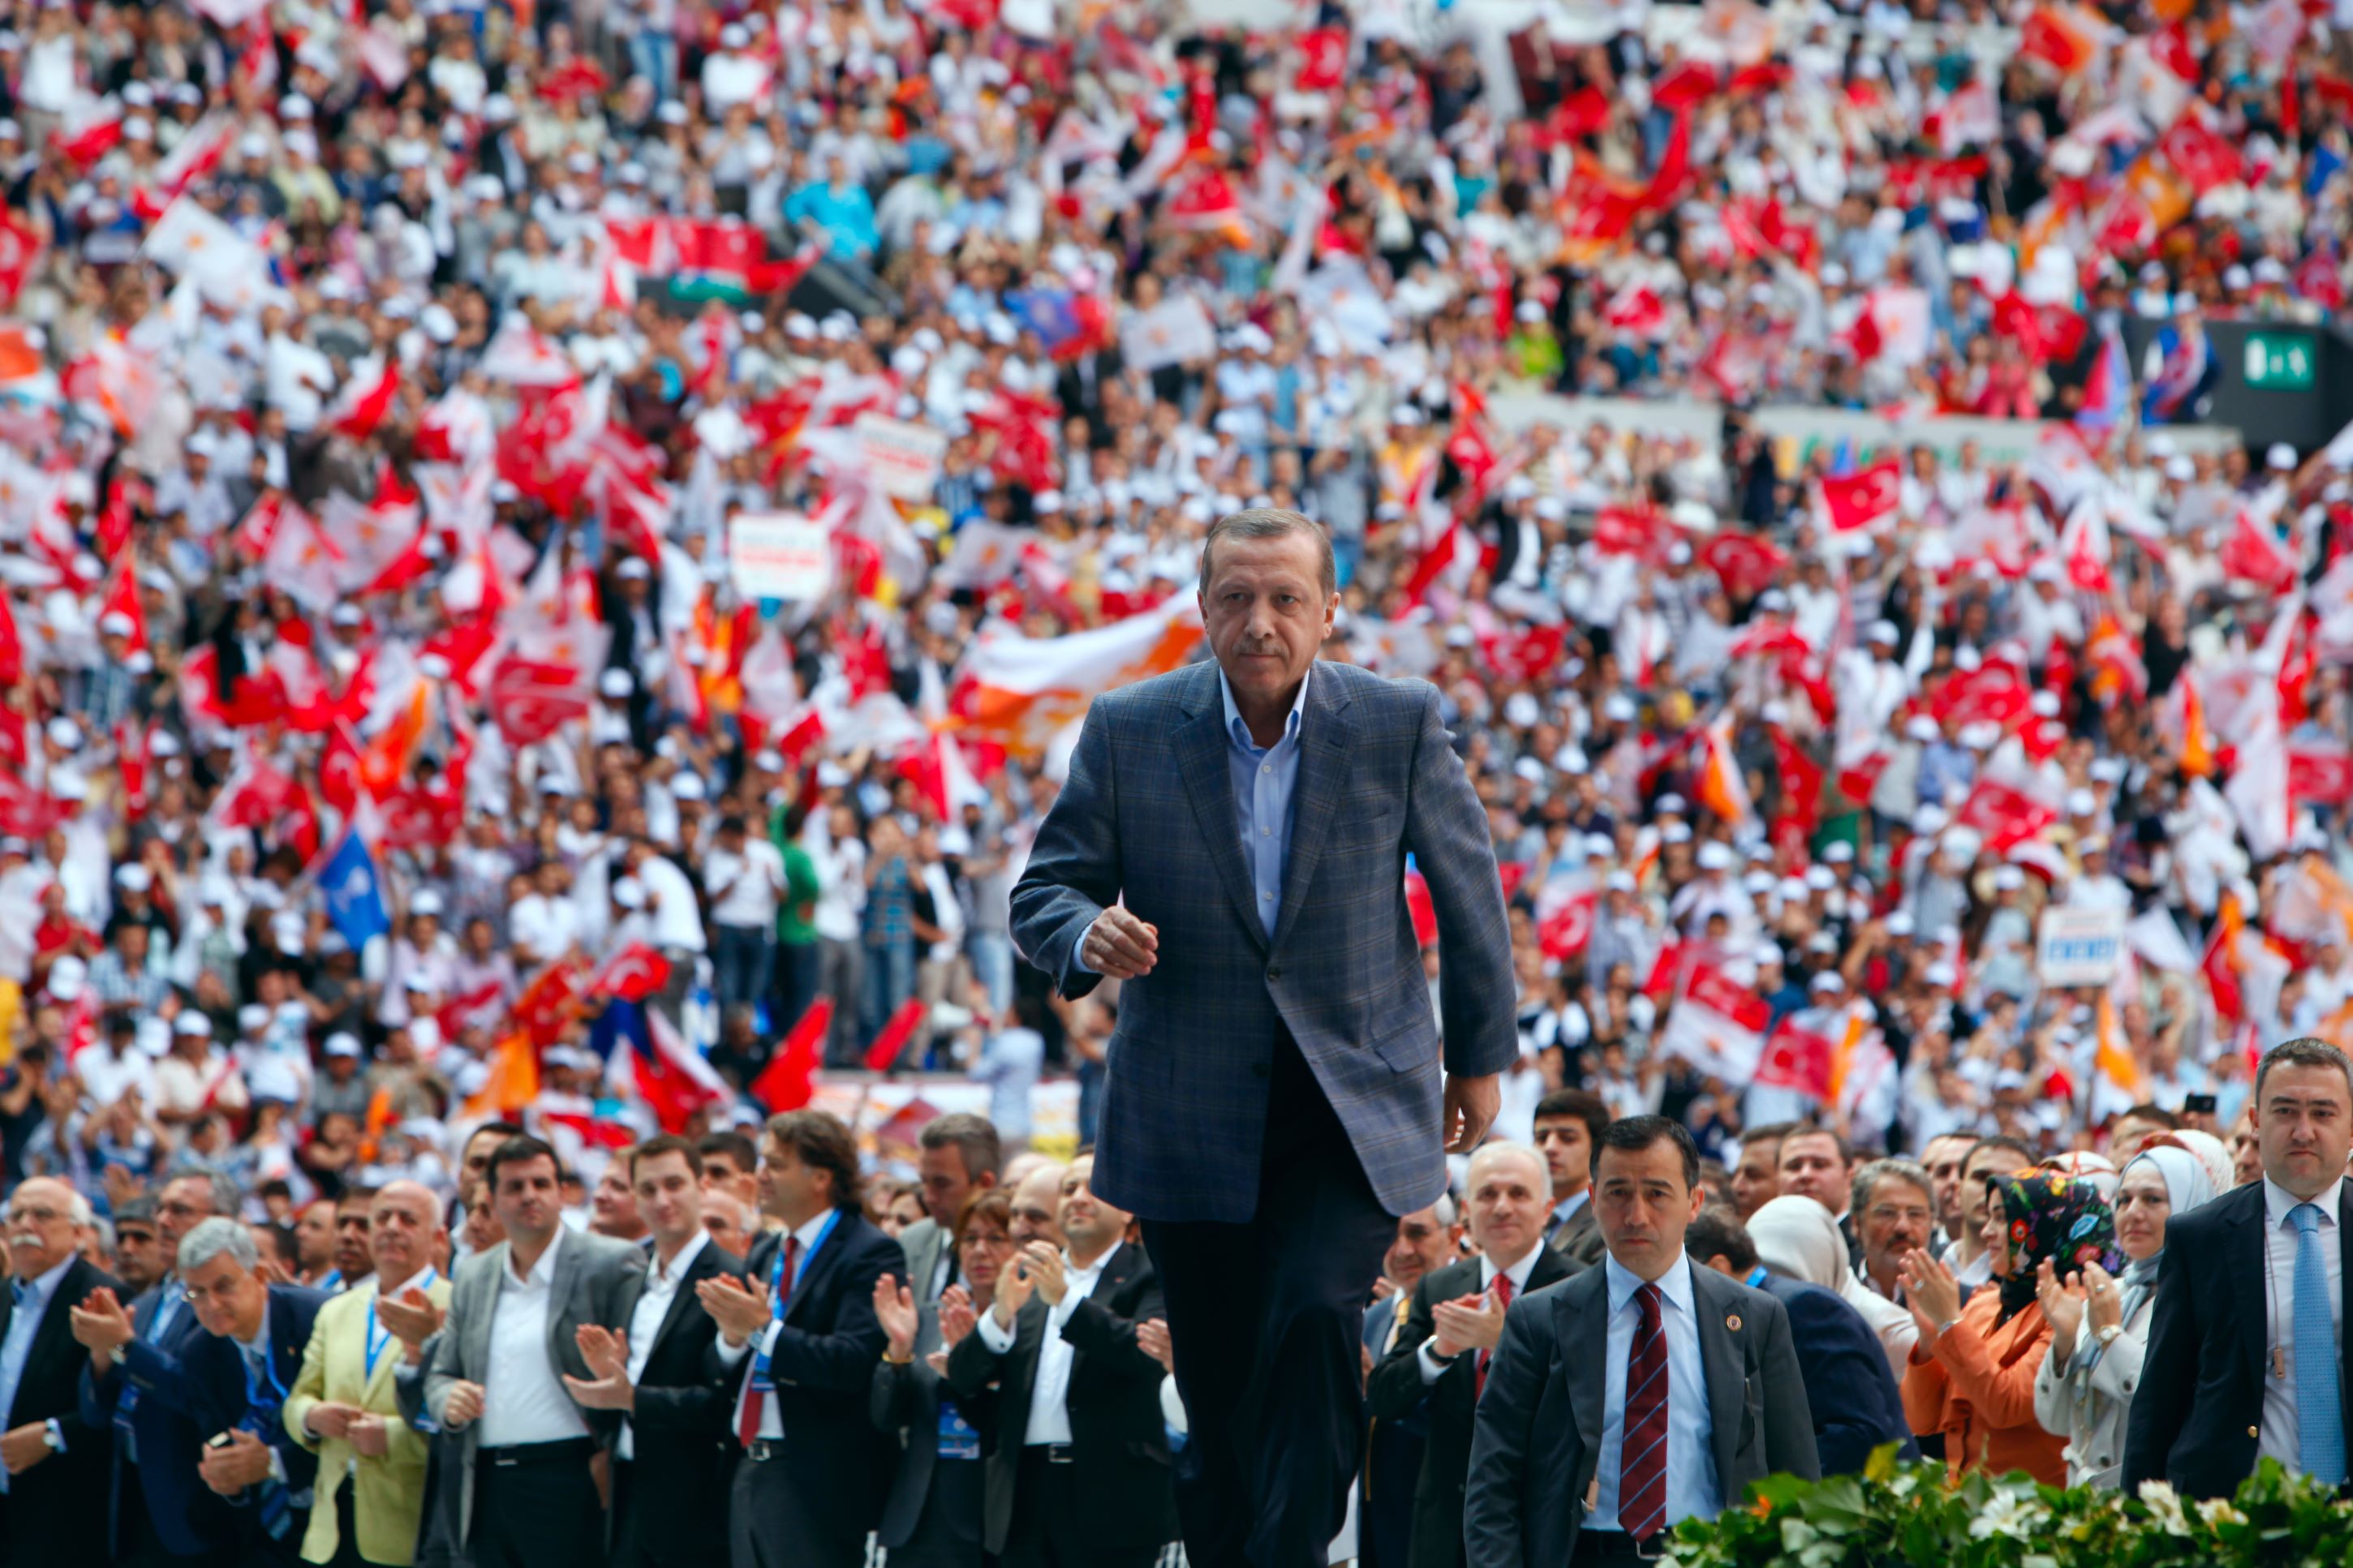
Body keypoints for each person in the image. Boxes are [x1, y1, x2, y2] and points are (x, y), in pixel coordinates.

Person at [1011, 508, 1516, 1568]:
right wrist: (1082, 931)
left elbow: (1470, 897)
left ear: (1329, 612)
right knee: (1221, 1380)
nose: (1260, 621)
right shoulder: (1130, 725)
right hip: (1187, 1108)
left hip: (1350, 1101)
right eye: (1235, 597)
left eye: (1286, 597)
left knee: (1312, 1318)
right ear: (1202, 609)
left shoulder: (1398, 721)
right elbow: (1045, 888)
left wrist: (1477, 1056)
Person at [1464, 1117, 1817, 1565]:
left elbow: (1794, 1472)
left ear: (1695, 1202)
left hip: (1712, 1552)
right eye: (1617, 1193)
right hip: (1584, 1554)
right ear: (1592, 1200)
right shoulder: (1540, 1319)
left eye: (1656, 1193)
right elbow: (1494, 1475)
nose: (1635, 1215)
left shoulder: (1753, 1317)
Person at [2126, 1039, 2353, 1498]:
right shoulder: (2201, 1237)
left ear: (2351, 1127)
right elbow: (2160, 1397)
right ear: (2254, 1122)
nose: (2304, 1131)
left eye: (2324, 1113)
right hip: (2230, 1515)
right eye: (2285, 1111)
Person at [403, 1136, 643, 1568]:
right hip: (485, 1480)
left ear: (563, 1192)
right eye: (514, 1187)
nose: (529, 1195)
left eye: (541, 1183)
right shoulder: (475, 1273)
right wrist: (449, 1403)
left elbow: (638, 1374)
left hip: (572, 1477)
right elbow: (440, 1375)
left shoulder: (612, 1263)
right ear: (492, 1200)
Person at [941, 1153, 1173, 1568]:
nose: (1079, 1198)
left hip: (1111, 1494)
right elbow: (964, 1377)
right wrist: (998, 1318)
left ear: (1126, 1210)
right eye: (1069, 1189)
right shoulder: (1024, 1278)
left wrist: (1065, 1301)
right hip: (1023, 1491)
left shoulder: (1151, 1272)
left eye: (1094, 1187)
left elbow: (1144, 1352)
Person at [699, 1110, 907, 1568]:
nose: (760, 1175)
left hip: (815, 1477)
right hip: (748, 1464)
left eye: (775, 1164)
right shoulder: (768, 1249)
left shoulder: (869, 1251)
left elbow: (852, 1362)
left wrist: (761, 1330)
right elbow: (730, 1367)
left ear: (821, 1176)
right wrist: (733, 1340)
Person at [1366, 1143, 1570, 1568]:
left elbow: (1585, 1407)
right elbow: (1385, 1397)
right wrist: (1439, 1351)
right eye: (1487, 1194)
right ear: (1465, 1210)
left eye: (1518, 1194)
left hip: (1538, 1519)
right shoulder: (1439, 1288)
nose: (1501, 1207)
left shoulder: (1579, 1287)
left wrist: (1505, 1344)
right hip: (1444, 1520)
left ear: (1547, 1207)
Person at [561, 1136, 746, 1568]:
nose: (661, 1200)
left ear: (701, 1188)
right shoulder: (631, 1278)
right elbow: (618, 1400)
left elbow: (726, 1405)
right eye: (647, 1189)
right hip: (627, 1496)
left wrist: (631, 1397)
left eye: (674, 1184)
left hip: (697, 1510)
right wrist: (609, 1382)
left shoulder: (730, 1278)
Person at [1899, 1168, 2117, 1484]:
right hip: (1966, 1503)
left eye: (2002, 1218)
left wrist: (1949, 1322)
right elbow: (1921, 1421)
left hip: (2036, 1512)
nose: (1987, 1231)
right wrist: (1930, 1337)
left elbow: (2007, 1405)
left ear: (2046, 1224)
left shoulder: (2079, 1306)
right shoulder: (1987, 1302)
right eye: (1989, 1217)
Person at [73, 1170, 241, 1566]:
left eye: (179, 1210)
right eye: (161, 1209)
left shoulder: (225, 1302)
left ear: (222, 1221)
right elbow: (95, 1412)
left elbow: (198, 1394)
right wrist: (102, 1356)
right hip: (131, 1486)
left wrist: (126, 1346)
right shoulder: (145, 1300)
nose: (163, 1220)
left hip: (194, 1501)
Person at [284, 1180, 452, 1568]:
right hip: (332, 1527)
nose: (392, 1227)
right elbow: (296, 1400)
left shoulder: (457, 1305)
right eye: (382, 1218)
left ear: (438, 1237)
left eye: (408, 1219)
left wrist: (393, 1437)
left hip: (407, 1530)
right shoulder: (337, 1310)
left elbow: (467, 1420)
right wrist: (311, 1418)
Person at [2034, 1140, 2218, 1490]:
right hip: (2084, 1506)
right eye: (2124, 1200)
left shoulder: (2204, 1298)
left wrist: (2110, 1338)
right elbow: (2055, 1421)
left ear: (2190, 1205)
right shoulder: (2109, 1291)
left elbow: (2176, 1408)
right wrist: (2063, 1340)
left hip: (2149, 1503)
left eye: (2152, 1200)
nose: (2133, 1212)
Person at [1685, 1205, 1918, 1476]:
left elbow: (1854, 1433)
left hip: (1862, 1508)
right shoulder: (1753, 1315)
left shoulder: (1804, 1309)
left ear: (1717, 1269)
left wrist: (1770, 1500)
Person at [163, 1217, 331, 1566]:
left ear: (259, 1277)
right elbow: (220, 1440)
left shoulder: (318, 1319)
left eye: (223, 1286)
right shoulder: (199, 1352)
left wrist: (274, 1463)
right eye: (196, 1293)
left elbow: (339, 1431)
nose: (211, 1305)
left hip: (335, 1516)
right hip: (264, 1536)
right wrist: (227, 1476)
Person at [870, 1188, 1018, 1566]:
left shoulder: (1027, 1323)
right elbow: (886, 1417)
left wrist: (972, 1361)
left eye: (995, 1238)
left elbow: (1006, 1420)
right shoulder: (929, 1316)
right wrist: (899, 1352)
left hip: (989, 1513)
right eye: (969, 1239)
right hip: (918, 1512)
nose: (980, 1250)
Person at [0, 1177, 121, 1568]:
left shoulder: (105, 1296)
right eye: (16, 1215)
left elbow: (119, 1402)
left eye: (42, 1214)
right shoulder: (4, 1293)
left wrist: (55, 1434)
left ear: (79, 1232)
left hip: (61, 1506)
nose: (25, 1225)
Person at [1359, 1199, 1459, 1568]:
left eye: (1417, 1234)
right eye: (1390, 1235)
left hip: (1438, 1515)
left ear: (1455, 1236)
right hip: (1370, 1515)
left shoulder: (1470, 1312)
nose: (1403, 1250)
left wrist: (1383, 1392)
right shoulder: (1374, 1317)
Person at [1747, 1196, 1916, 1379]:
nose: (1778, 1292)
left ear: (1826, 1262)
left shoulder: (1890, 1331)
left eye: (1790, 1280)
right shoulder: (1742, 1322)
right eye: (1766, 1279)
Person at [902, 1114, 1001, 1306]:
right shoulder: (912, 1241)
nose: (928, 1197)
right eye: (924, 1182)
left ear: (985, 1183)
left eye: (942, 1184)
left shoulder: (1017, 1251)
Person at [1531, 1089, 1610, 1270]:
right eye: (1541, 1138)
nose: (1550, 1148)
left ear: (1598, 1149)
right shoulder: (1523, 1215)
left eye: (1567, 1139)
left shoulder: (1609, 1227)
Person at [1852, 1159, 1937, 1305]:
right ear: (1857, 1224)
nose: (1903, 1227)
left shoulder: (1960, 1302)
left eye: (1915, 1214)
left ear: (1932, 1222)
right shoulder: (1837, 1293)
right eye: (1887, 1213)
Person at [1775, 1125, 1861, 1268]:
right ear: (1777, 1180)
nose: (1806, 1174)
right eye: (1794, 1166)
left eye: (1819, 1165)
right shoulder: (1760, 1246)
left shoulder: (1868, 1250)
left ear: (1849, 1179)